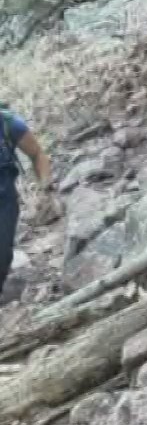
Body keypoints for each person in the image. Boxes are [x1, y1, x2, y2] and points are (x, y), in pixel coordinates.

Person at [0, 105, 57, 296]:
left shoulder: (8, 124)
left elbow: (37, 154)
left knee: (2, 254)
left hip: (4, 203)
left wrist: (45, 186)